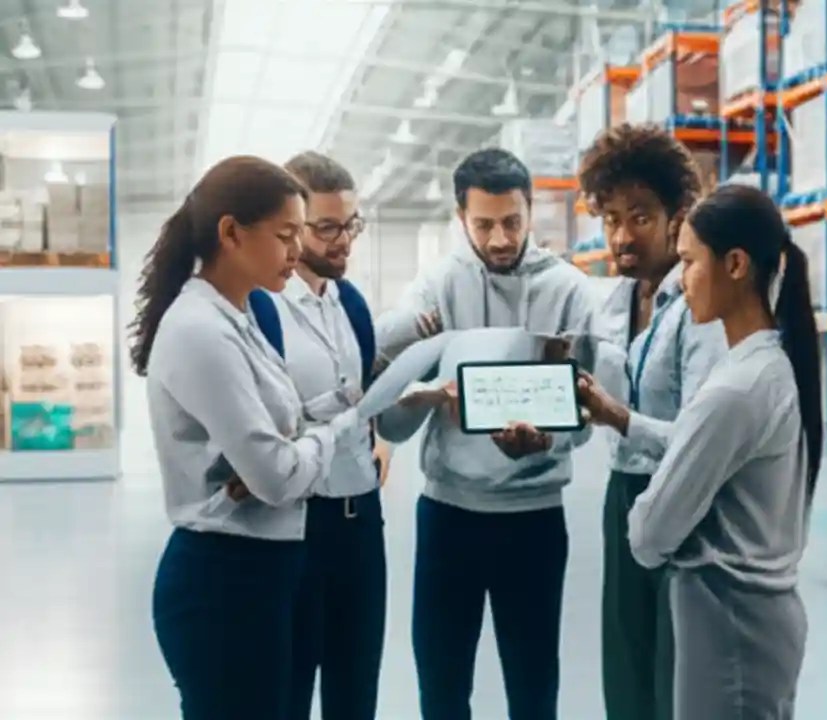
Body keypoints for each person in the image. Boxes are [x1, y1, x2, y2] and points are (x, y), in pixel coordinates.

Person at [576, 184, 823, 720]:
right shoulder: (771, 367)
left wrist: (646, 504)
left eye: (688, 262)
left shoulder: (733, 389)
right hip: (756, 622)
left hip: (728, 627)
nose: (681, 281)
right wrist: (620, 416)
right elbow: (703, 446)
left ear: (735, 264)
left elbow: (648, 534)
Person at [133, 156, 364, 720]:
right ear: (231, 233)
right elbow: (276, 476)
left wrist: (335, 412)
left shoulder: (236, 317)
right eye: (286, 235)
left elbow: (283, 433)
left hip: (261, 575)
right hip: (222, 583)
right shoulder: (199, 330)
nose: (296, 250)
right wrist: (331, 434)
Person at [375, 148, 596, 720]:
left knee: (533, 684)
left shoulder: (570, 291)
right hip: (450, 516)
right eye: (484, 224)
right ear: (460, 218)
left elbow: (589, 411)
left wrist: (551, 440)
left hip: (535, 518)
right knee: (443, 684)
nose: (500, 238)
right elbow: (391, 409)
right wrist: (419, 390)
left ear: (530, 213)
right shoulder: (435, 289)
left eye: (512, 222)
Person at [576, 123, 726, 720]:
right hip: (623, 497)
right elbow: (590, 413)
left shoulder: (700, 310)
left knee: (676, 673)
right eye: (610, 218)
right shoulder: (612, 305)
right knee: (627, 667)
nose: (621, 235)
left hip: (682, 501)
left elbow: (699, 443)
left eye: (638, 216)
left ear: (676, 215)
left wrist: (619, 418)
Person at [244, 151, 386, 720]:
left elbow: (366, 400)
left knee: (356, 691)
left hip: (362, 522)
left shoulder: (350, 302)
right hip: (297, 528)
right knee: (290, 689)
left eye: (350, 224)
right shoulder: (261, 307)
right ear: (290, 228)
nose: (343, 241)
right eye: (326, 227)